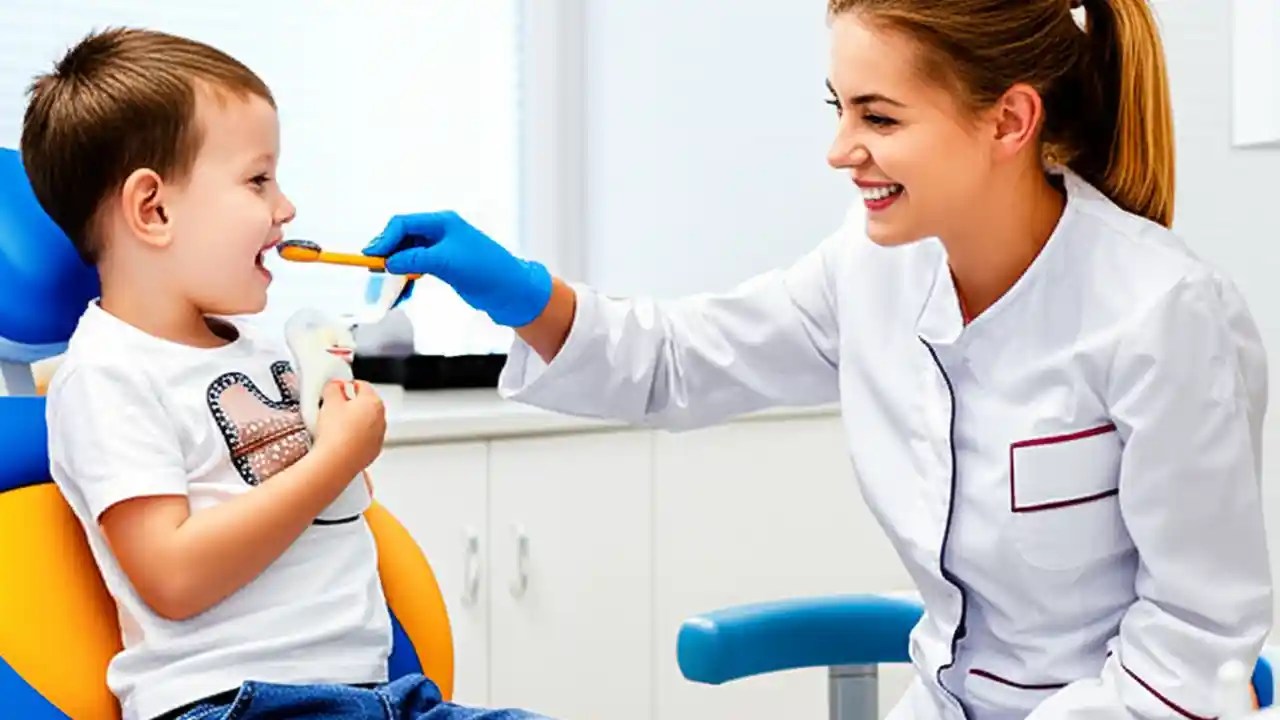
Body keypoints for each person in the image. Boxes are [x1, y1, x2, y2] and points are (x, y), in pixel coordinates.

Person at [363, 1, 1272, 718]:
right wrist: (522, 292)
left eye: (879, 116)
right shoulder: (875, 268)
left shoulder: (1160, 315)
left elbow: (1194, 638)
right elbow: (678, 362)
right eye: (839, 109)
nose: (841, 150)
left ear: (1010, 121)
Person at [24, 27, 550, 720]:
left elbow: (328, 504)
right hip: (236, 703)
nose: (287, 208)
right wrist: (332, 459)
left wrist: (337, 439)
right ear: (154, 209)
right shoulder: (107, 375)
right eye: (258, 180)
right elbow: (173, 576)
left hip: (376, 696)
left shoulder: (258, 347)